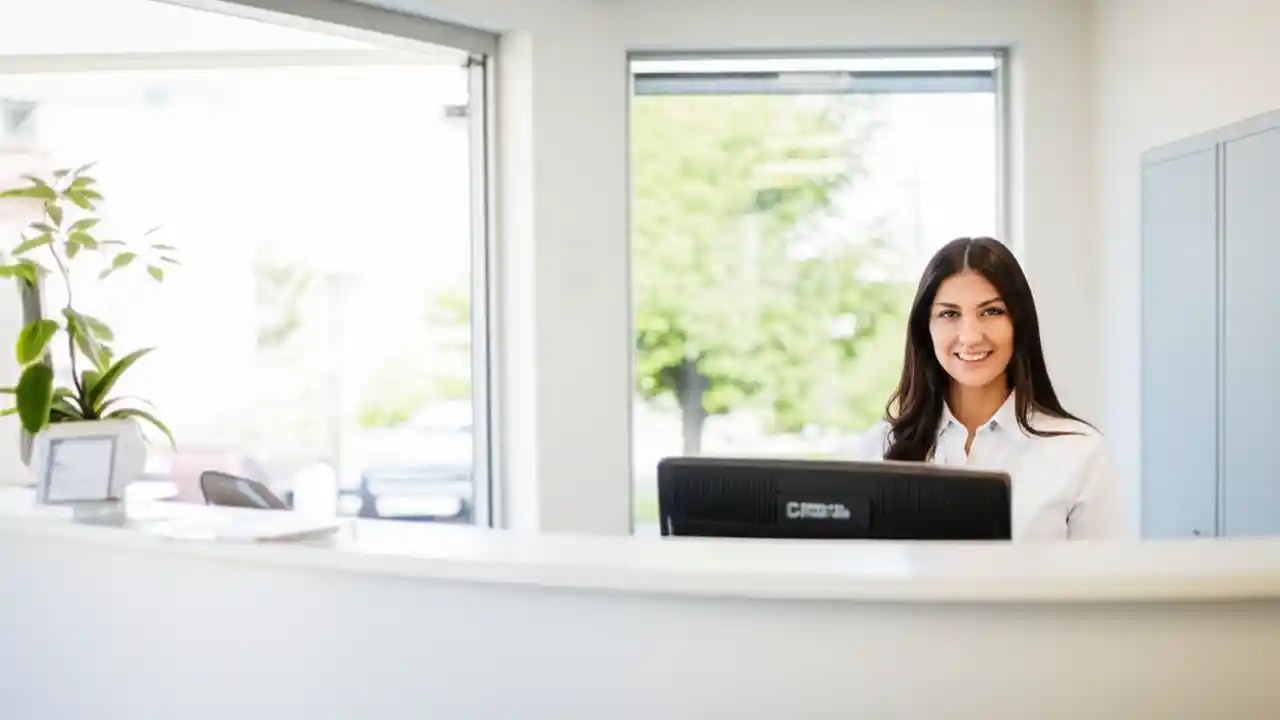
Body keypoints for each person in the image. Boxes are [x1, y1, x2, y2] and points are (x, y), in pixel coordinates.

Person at [850, 237, 1130, 540]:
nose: (970, 336)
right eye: (949, 314)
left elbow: (1104, 584)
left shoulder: (1079, 452)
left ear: (1018, 323)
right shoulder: (879, 448)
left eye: (991, 312)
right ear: (925, 329)